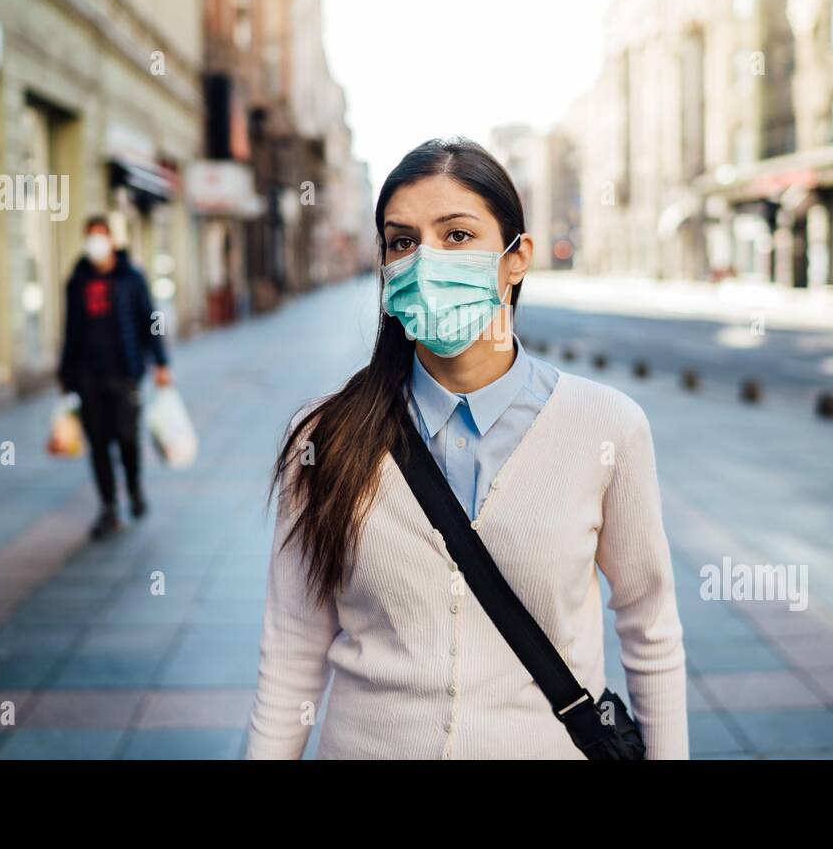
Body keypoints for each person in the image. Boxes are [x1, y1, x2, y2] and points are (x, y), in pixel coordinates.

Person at [246, 136, 687, 759]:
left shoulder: (605, 426)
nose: (426, 261)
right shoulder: (327, 439)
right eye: (403, 241)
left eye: (456, 236)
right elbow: (292, 649)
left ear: (516, 258)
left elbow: (650, 629)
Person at [58, 215, 171, 539]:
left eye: (100, 235)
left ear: (111, 240)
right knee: (97, 443)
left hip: (124, 373)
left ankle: (134, 488)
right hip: (87, 376)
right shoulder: (76, 280)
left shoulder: (130, 278)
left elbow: (151, 321)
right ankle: (108, 506)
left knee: (127, 438)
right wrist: (65, 373)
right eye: (90, 235)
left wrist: (161, 362)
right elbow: (70, 330)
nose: (95, 242)